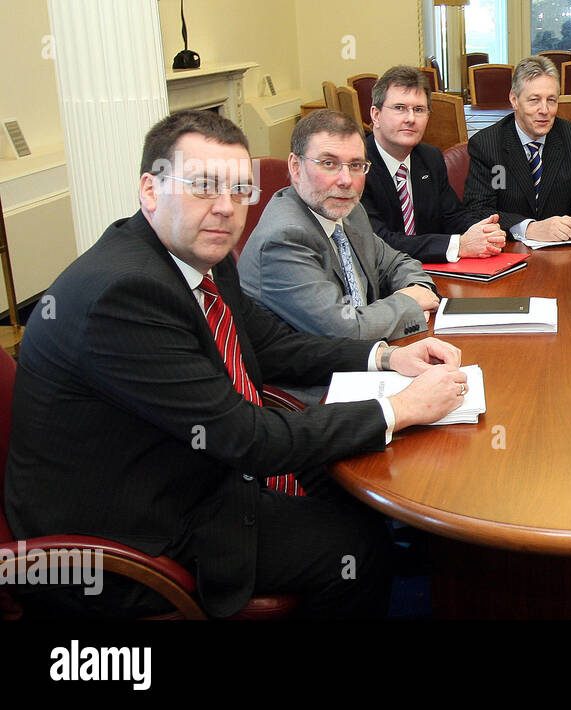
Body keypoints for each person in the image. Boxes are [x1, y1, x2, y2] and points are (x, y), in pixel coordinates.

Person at [4, 110, 471, 618]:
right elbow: (245, 439)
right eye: (204, 186)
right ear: (150, 189)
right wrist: (400, 410)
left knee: (346, 486)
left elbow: (273, 345)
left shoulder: (198, 256)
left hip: (185, 459)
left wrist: (386, 356)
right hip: (128, 526)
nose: (226, 208)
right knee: (356, 548)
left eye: (239, 190)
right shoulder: (124, 294)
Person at [239, 109, 440, 342]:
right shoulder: (284, 238)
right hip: (313, 374)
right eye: (328, 163)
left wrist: (418, 287)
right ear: (295, 167)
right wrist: (410, 303)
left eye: (356, 166)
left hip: (363, 357)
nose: (346, 180)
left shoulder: (350, 211)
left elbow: (397, 263)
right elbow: (346, 331)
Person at [360, 65, 507, 264]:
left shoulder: (430, 157)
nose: (410, 118)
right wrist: (458, 245)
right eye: (399, 108)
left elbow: (452, 216)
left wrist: (482, 231)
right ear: (376, 115)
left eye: (419, 110)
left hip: (434, 272)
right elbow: (378, 241)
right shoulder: (357, 166)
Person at [462, 55, 571, 242]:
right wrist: (529, 228)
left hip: (565, 252)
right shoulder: (488, 145)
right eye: (534, 100)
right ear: (514, 100)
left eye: (551, 100)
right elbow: (478, 211)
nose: (544, 110)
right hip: (509, 251)